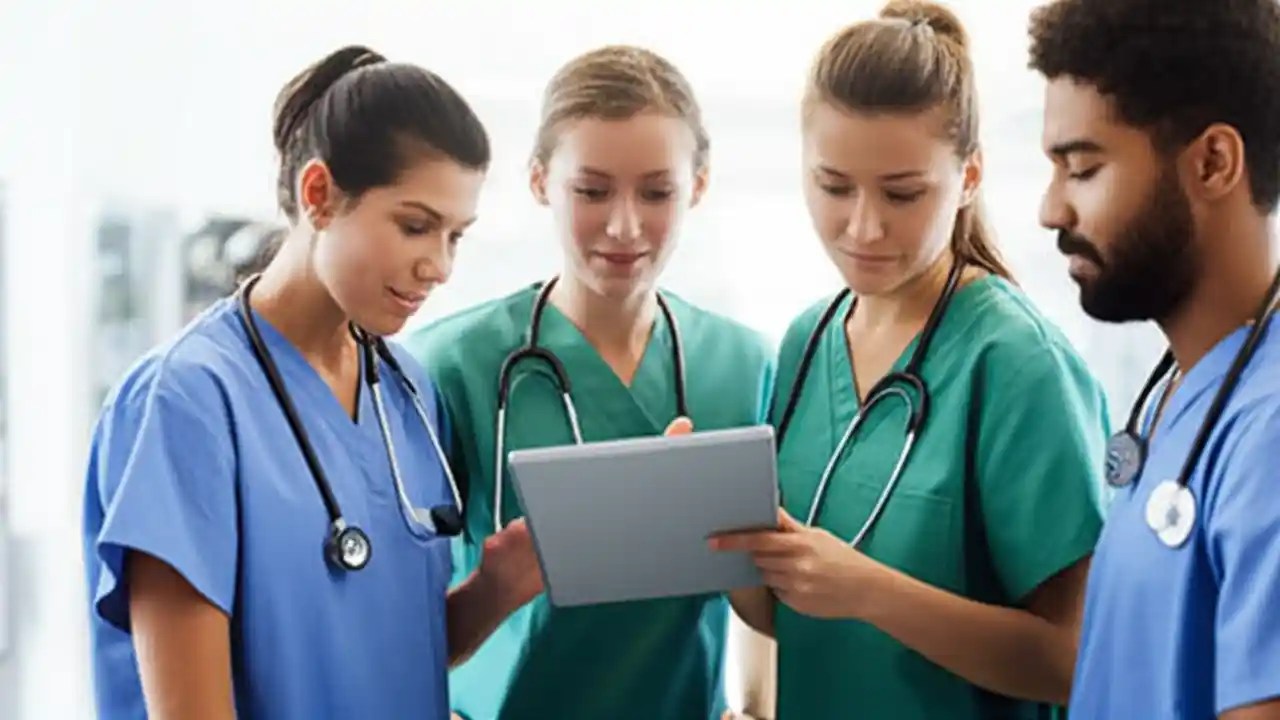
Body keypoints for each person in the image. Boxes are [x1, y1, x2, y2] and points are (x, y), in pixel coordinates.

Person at [81, 46, 542, 719]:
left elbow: (387, 651)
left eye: (455, 236)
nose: (438, 266)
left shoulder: (408, 393)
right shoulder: (188, 402)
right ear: (319, 194)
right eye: (415, 226)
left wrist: (498, 589)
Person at [709, 2, 1111, 718]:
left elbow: (1079, 658)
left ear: (971, 176)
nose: (862, 226)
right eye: (833, 186)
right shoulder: (808, 341)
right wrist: (714, 536)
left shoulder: (1015, 364)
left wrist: (869, 589)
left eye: (903, 193)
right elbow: (788, 615)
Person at [403, 45, 775, 720]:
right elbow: (393, 629)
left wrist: (755, 708)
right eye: (592, 190)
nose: (625, 225)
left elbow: (771, 595)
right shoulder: (449, 365)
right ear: (541, 180)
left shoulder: (745, 367)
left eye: (657, 191)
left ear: (698, 185)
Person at [1029, 0, 1280, 717]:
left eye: (1082, 168)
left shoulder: (1268, 436)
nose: (1051, 210)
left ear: (1213, 162)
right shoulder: (1182, 393)